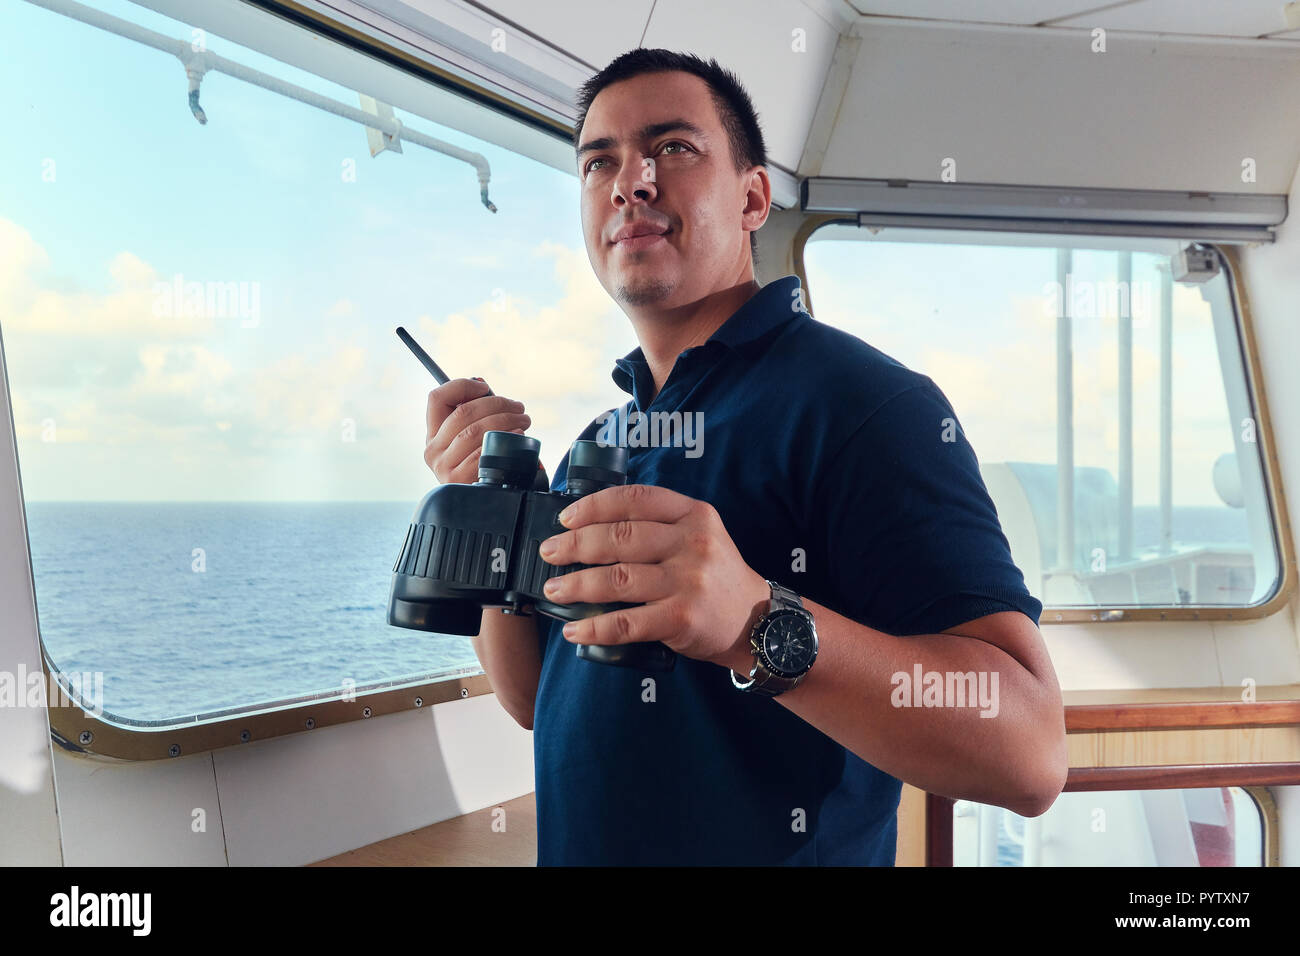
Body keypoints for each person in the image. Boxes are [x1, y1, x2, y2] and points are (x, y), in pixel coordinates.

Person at [424, 49, 1067, 865]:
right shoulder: (605, 437)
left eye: (674, 148)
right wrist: (492, 509)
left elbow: (1030, 749)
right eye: (600, 162)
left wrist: (757, 624)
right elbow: (533, 697)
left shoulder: (868, 408)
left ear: (754, 196)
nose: (632, 180)